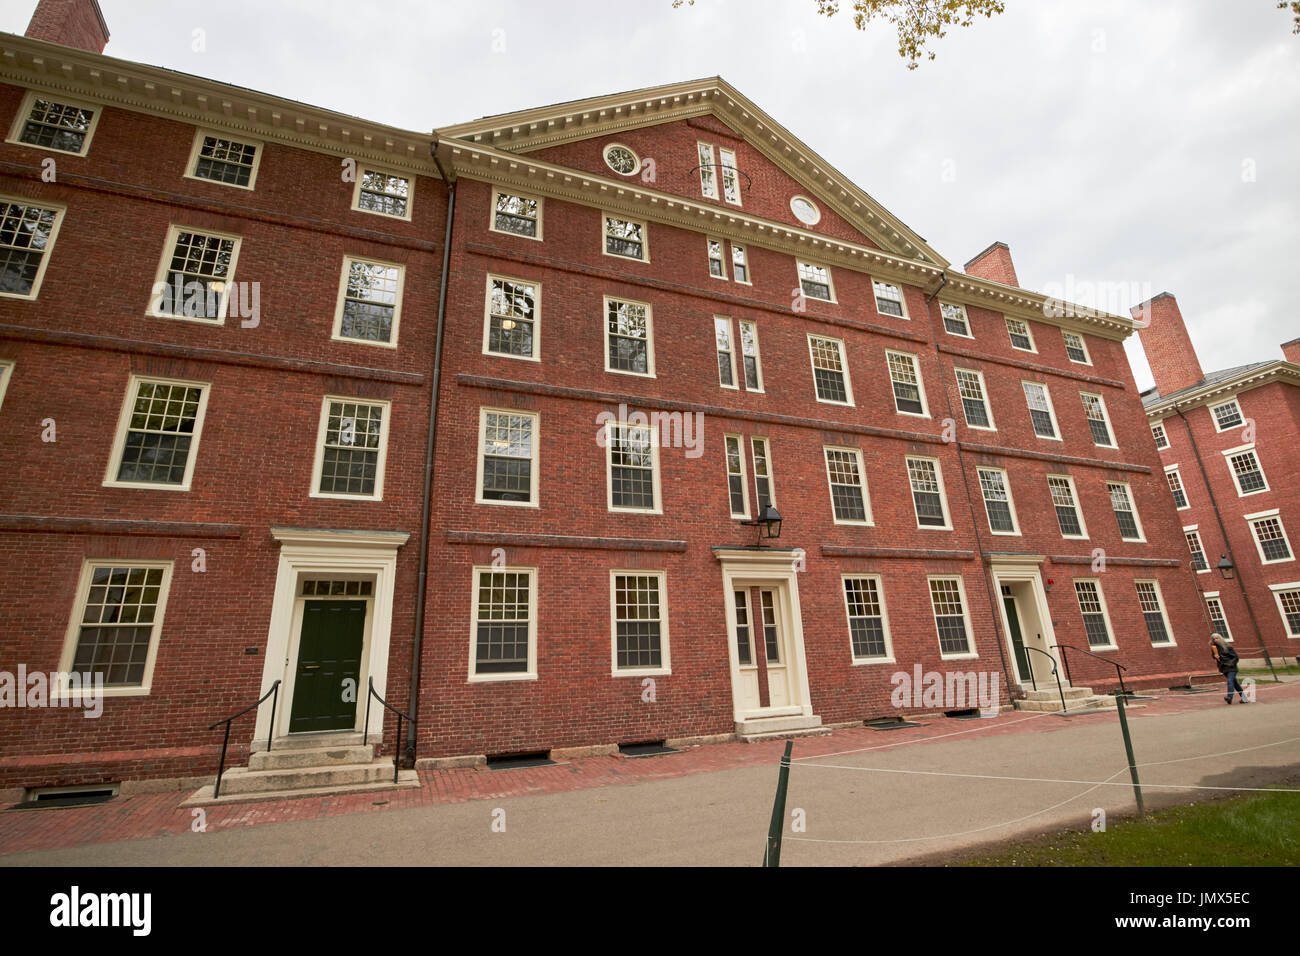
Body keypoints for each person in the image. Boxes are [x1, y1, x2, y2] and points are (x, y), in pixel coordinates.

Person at [1210, 634, 1247, 704]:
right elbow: (1214, 656)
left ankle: (1229, 697)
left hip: (1231, 667)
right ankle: (1244, 698)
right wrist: (1215, 656)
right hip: (1223, 667)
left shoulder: (1227, 646)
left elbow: (1235, 657)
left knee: (1230, 681)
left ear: (1220, 638)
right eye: (1214, 639)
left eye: (1217, 638)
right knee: (1235, 683)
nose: (1215, 640)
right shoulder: (1214, 648)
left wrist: (1231, 664)